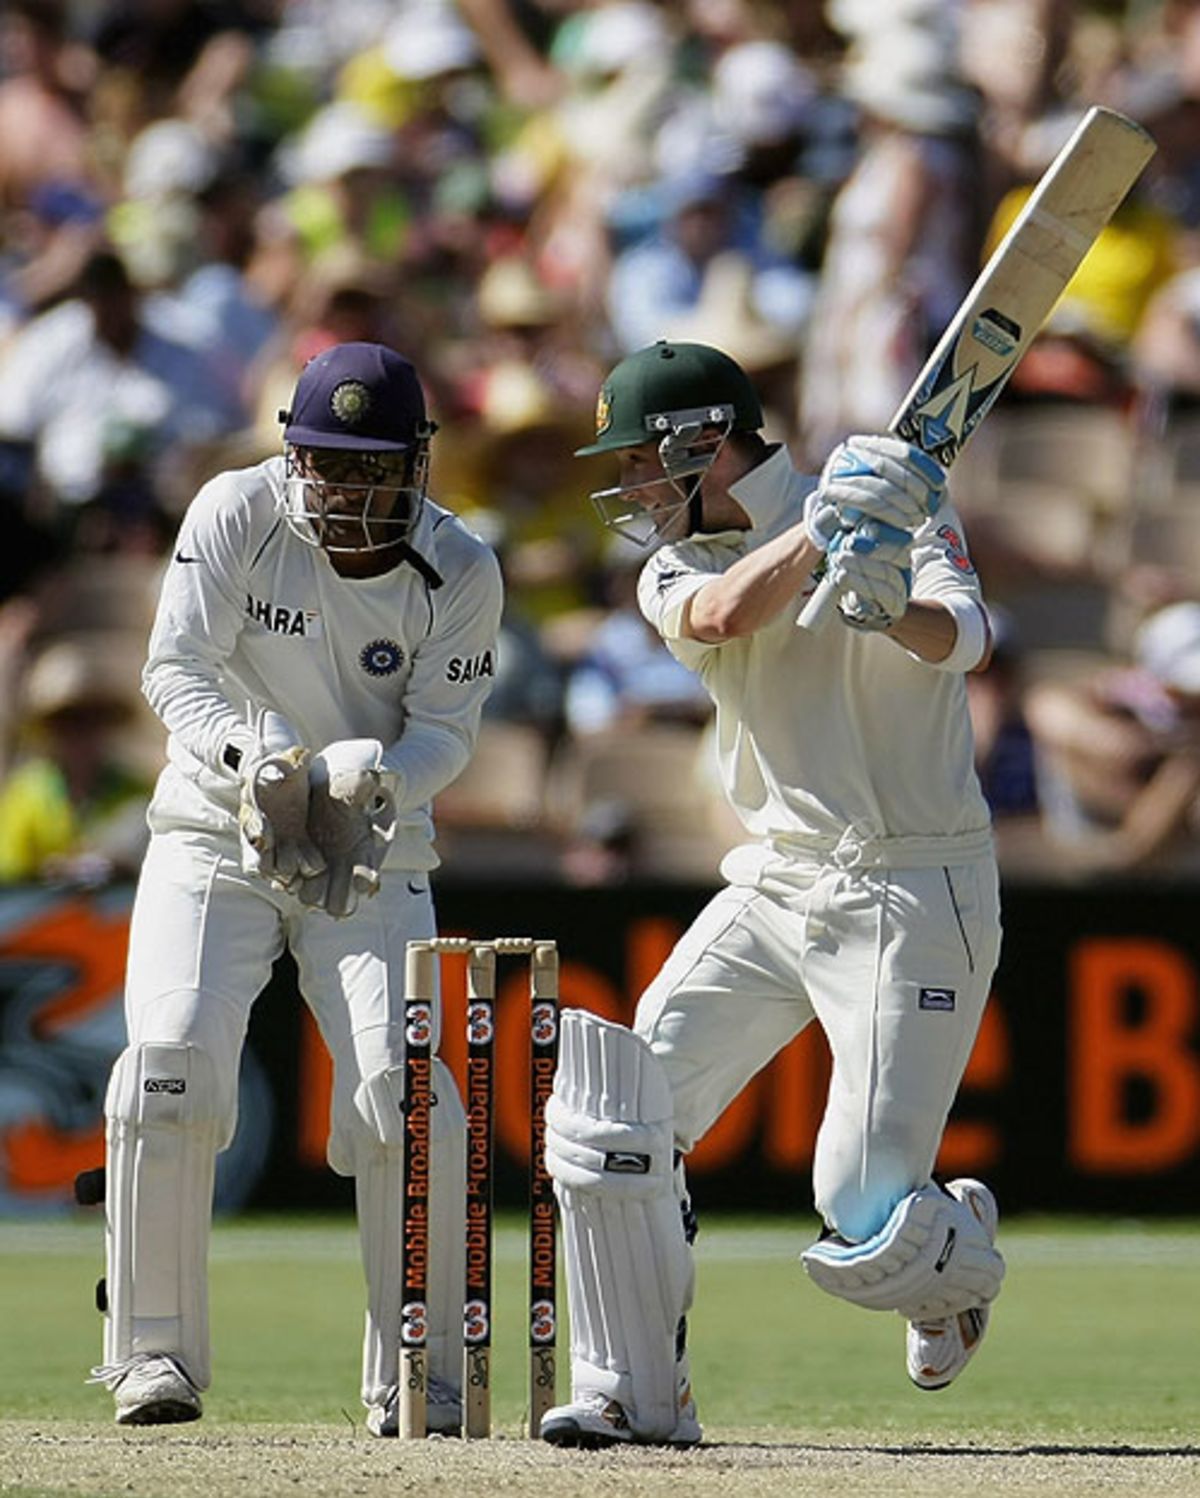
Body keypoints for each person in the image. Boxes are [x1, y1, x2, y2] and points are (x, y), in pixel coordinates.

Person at [541, 340, 1004, 1447]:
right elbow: (722, 619)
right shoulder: (681, 564)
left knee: (858, 1212)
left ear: (702, 440)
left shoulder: (892, 501)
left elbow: (968, 639)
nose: (634, 493)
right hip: (780, 872)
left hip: (913, 881)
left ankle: (955, 1257)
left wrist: (889, 601)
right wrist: (823, 537)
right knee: (613, 1109)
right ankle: (633, 1392)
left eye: (641, 466)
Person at [87, 342, 503, 1433]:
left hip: (372, 845)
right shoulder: (234, 513)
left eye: (373, 468)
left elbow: (447, 737)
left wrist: (375, 781)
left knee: (408, 1095)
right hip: (215, 832)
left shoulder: (460, 567)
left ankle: (421, 1366)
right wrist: (252, 761)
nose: (350, 490)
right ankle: (150, 1356)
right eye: (328, 463)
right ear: (293, 453)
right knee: (168, 1063)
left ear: (417, 463)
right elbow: (173, 668)